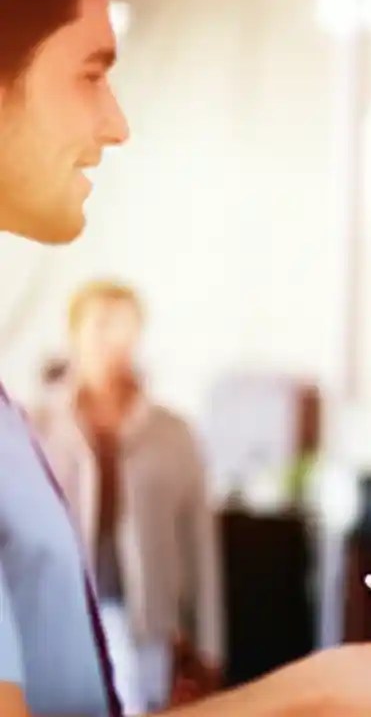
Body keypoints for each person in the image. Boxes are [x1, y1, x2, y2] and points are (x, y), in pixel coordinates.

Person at [0, 0, 371, 715]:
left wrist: (307, 686)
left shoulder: (79, 427)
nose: (118, 123)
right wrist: (317, 699)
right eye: (91, 75)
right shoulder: (34, 422)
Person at [29, 280, 225, 713]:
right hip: (56, 618)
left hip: (145, 624)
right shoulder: (36, 426)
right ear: (75, 333)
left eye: (125, 327)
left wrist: (209, 647)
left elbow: (199, 546)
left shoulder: (174, 434)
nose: (113, 340)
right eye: (101, 325)